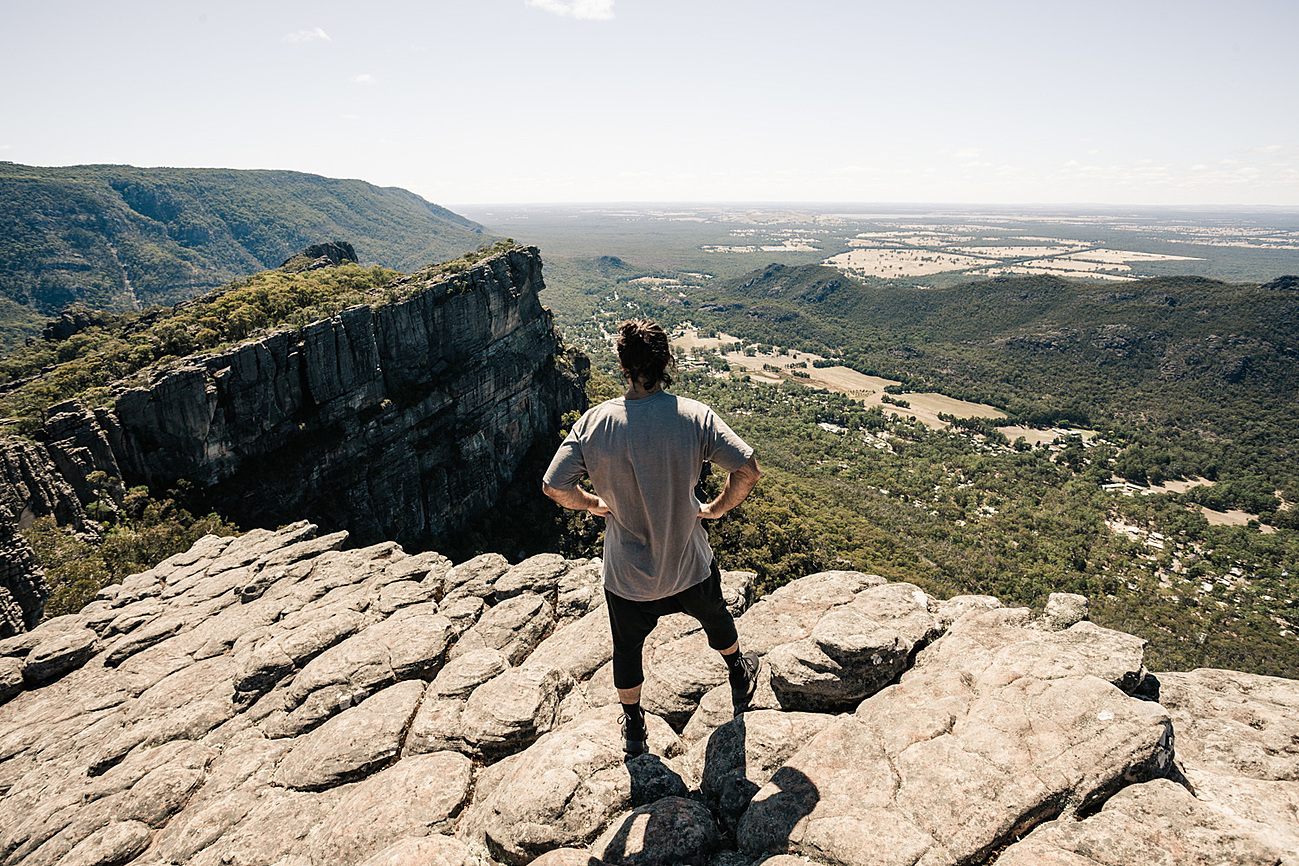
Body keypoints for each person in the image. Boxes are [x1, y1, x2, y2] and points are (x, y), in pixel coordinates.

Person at [543, 319, 762, 755]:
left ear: (623, 365)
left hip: (627, 576)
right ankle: (738, 670)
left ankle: (634, 723)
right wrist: (714, 510)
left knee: (627, 649)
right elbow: (748, 470)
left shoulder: (594, 424)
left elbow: (553, 486)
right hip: (687, 561)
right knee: (715, 616)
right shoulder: (693, 416)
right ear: (666, 363)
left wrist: (591, 503)